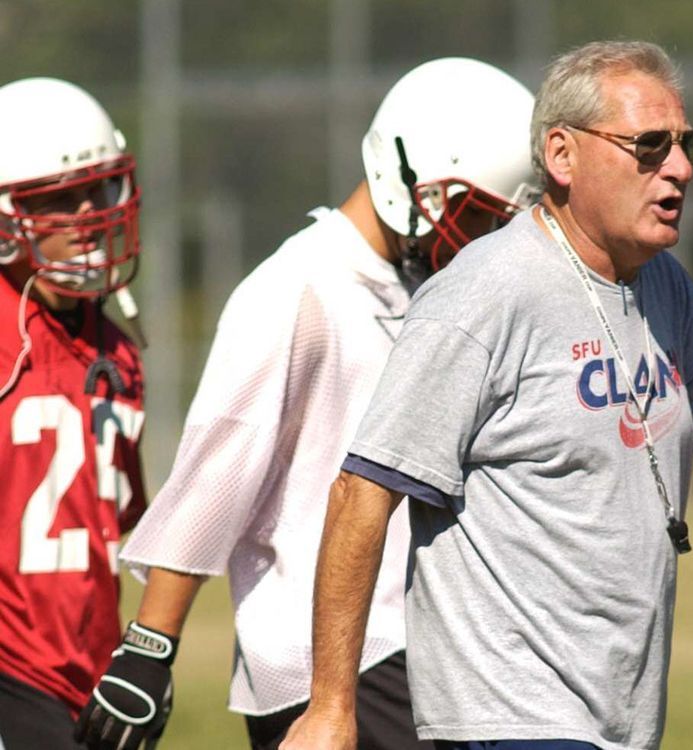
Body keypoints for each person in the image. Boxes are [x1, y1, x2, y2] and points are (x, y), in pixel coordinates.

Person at [283, 40, 693, 750]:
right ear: (562, 155)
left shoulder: (665, 287)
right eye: (647, 146)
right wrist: (331, 707)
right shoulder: (485, 293)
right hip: (509, 714)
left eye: (685, 144)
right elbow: (362, 491)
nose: (678, 168)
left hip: (621, 717)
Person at [74, 57, 538, 750]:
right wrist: (151, 644)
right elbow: (217, 469)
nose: (479, 241)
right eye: (473, 215)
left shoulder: (414, 286)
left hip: (416, 643)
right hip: (325, 658)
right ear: (409, 176)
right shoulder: (299, 286)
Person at [0, 77, 147, 749]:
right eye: (60, 198)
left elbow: (124, 519)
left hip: (93, 673)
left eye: (98, 188)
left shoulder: (116, 348)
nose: (90, 213)